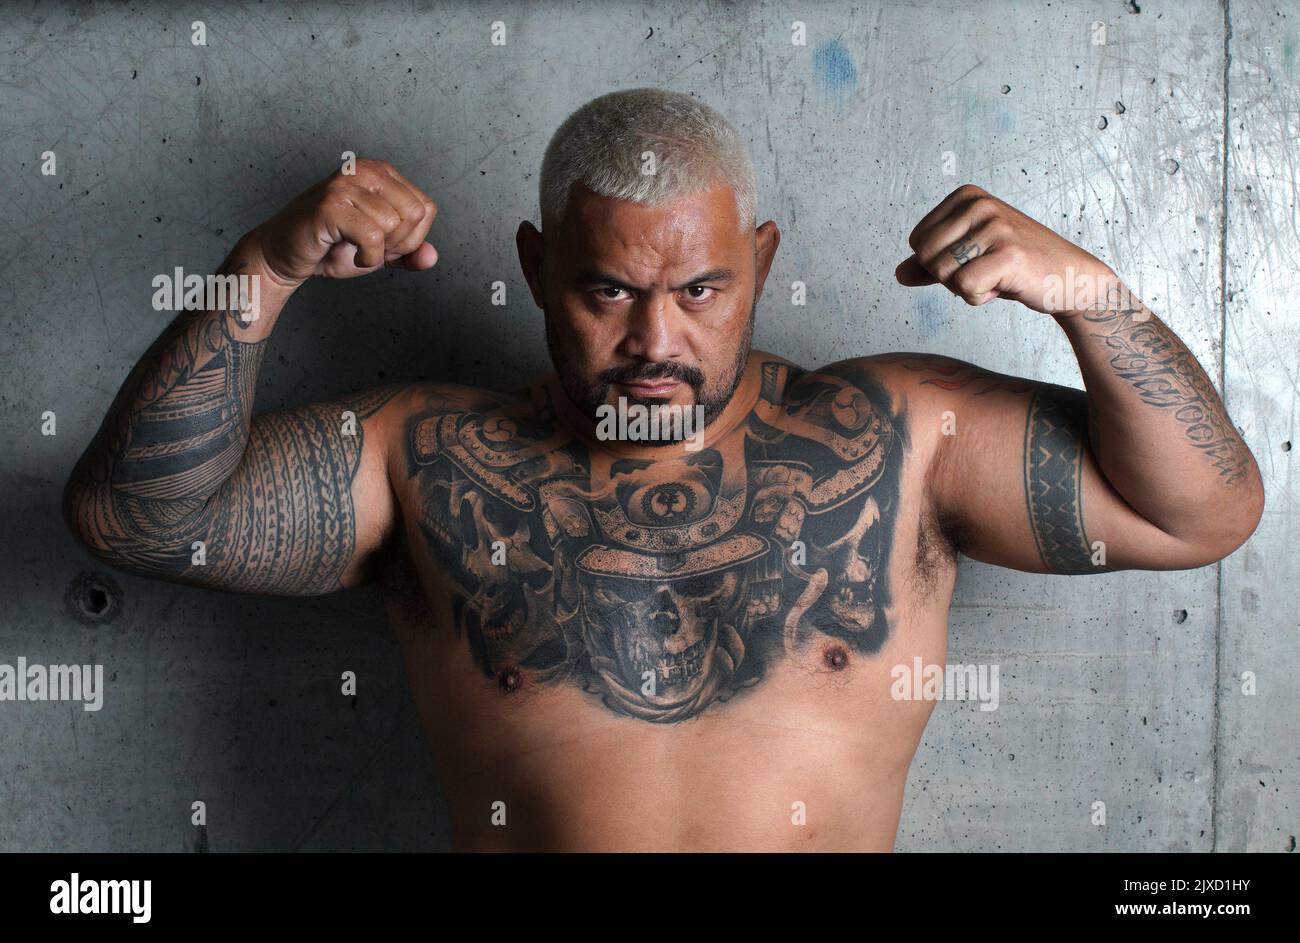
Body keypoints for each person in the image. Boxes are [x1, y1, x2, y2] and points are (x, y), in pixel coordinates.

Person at [63, 87, 1264, 851]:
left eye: (700, 289)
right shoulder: (428, 456)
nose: (655, 341)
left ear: (761, 261)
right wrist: (260, 271)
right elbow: (137, 521)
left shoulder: (897, 437)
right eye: (607, 291)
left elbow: (1203, 512)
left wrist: (1091, 298)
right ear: (536, 270)